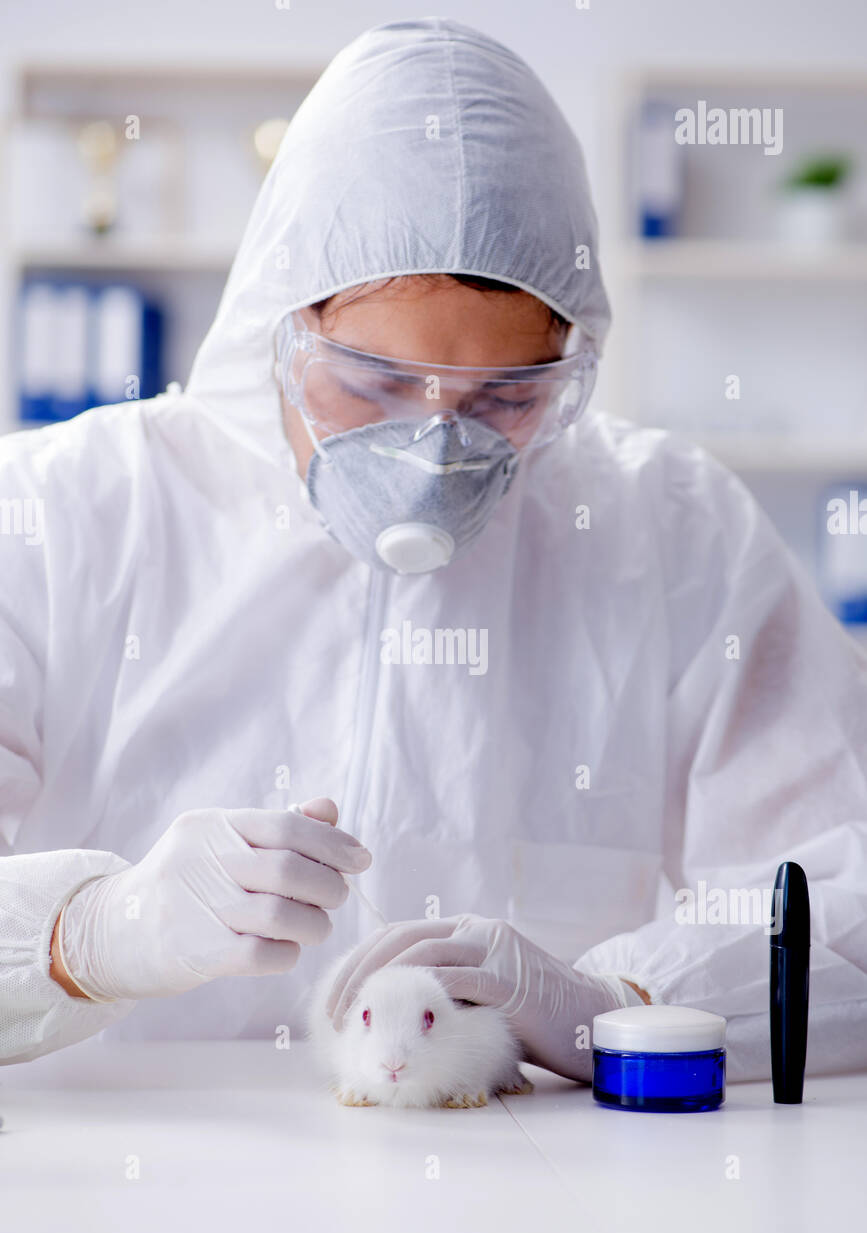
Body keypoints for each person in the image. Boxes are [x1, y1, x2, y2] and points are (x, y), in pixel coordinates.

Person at [1, 17, 865, 1082]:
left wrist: (631, 1002)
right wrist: (83, 939)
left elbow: (844, 896)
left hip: (535, 1213)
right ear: (285, 320)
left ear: (570, 361)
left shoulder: (674, 533)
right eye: (371, 381)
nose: (434, 443)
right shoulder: (66, 514)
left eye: (505, 397)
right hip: (132, 1220)